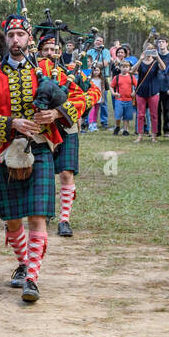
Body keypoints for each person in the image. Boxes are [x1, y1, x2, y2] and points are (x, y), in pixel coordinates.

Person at [0, 14, 85, 303]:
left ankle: (32, 277)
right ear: (6, 40)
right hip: (6, 154)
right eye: (11, 35)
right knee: (13, 220)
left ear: (29, 39)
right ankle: (23, 261)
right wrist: (12, 123)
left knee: (38, 216)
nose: (16, 40)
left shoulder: (49, 70)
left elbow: (82, 96)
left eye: (21, 35)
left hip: (40, 148)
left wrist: (57, 113)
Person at [44, 32, 97, 237]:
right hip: (42, 131)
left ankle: (64, 219)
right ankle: (44, 212)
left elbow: (93, 93)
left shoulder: (73, 73)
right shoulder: (32, 72)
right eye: (46, 50)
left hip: (68, 127)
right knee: (44, 174)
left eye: (54, 50)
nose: (50, 54)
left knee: (66, 173)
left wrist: (68, 111)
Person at [133, 47, 161, 142]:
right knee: (140, 114)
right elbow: (132, 71)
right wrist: (140, 59)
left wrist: (157, 57)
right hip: (141, 91)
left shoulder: (155, 63)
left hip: (153, 91)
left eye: (151, 51)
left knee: (154, 114)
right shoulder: (141, 62)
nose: (149, 53)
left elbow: (164, 68)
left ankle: (154, 136)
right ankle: (140, 135)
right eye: (147, 50)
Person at [111, 60, 135, 136]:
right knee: (118, 115)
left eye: (127, 67)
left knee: (127, 116)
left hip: (129, 99)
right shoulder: (117, 77)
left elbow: (137, 85)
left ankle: (125, 130)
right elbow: (111, 86)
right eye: (123, 67)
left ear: (129, 68)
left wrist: (134, 92)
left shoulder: (131, 77)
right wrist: (113, 93)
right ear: (120, 68)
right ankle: (117, 126)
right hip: (119, 99)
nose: (125, 69)